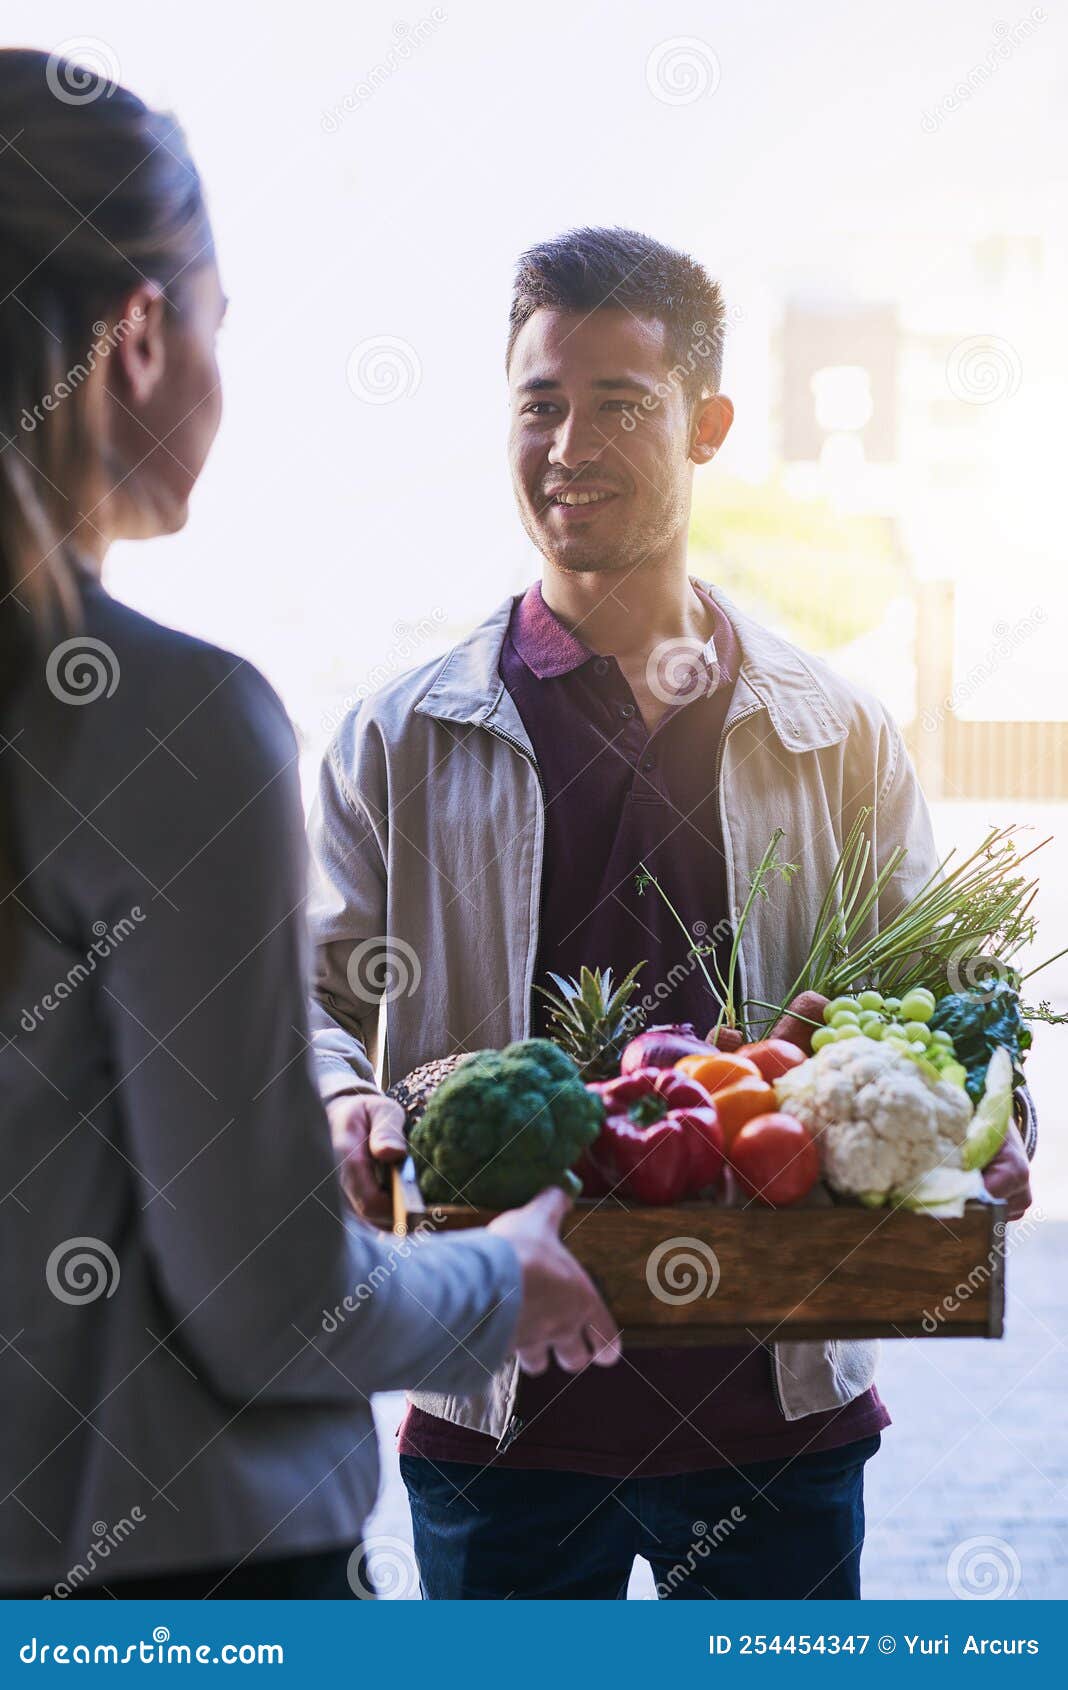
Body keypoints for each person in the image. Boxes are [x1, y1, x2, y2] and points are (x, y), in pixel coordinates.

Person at [308, 227, 1034, 1600]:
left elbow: (947, 1005)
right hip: (499, 1414)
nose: (570, 443)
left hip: (778, 1408)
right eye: (541, 403)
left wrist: (995, 1125)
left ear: (706, 426)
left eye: (620, 405)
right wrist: (341, 1096)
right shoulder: (397, 738)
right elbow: (307, 1004)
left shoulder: (838, 732)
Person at [0, 53, 619, 1601]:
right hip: (188, 1588)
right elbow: (277, 1299)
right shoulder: (163, 719)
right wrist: (507, 1274)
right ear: (139, 336)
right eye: (219, 314)